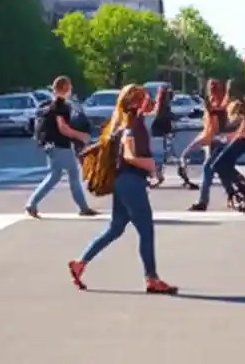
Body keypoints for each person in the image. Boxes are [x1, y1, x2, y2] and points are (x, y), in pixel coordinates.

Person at [68, 84, 178, 294]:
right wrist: (151, 166)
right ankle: (152, 278)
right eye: (146, 98)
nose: (150, 102)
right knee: (146, 230)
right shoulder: (132, 126)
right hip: (131, 181)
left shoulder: (122, 122)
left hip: (123, 181)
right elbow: (129, 156)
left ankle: (80, 263)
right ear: (136, 102)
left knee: (116, 227)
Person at [25, 76, 97, 219]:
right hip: (60, 145)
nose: (71, 90)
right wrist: (81, 136)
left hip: (50, 145)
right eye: (69, 87)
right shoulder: (61, 106)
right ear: (65, 88)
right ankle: (83, 208)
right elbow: (63, 128)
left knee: (55, 175)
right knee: (73, 175)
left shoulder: (49, 104)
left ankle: (32, 204)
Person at [183, 79, 232, 211]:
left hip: (220, 142)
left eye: (214, 88)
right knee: (222, 171)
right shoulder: (215, 104)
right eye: (211, 87)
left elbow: (211, 131)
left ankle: (203, 201)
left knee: (208, 169)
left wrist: (192, 146)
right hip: (218, 142)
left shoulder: (218, 106)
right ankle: (232, 195)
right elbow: (208, 130)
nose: (212, 90)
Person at [149, 85, 175, 186]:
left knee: (158, 155)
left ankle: (158, 175)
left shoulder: (159, 106)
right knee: (158, 156)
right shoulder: (163, 107)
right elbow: (165, 118)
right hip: (158, 133)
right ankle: (158, 176)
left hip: (157, 132)